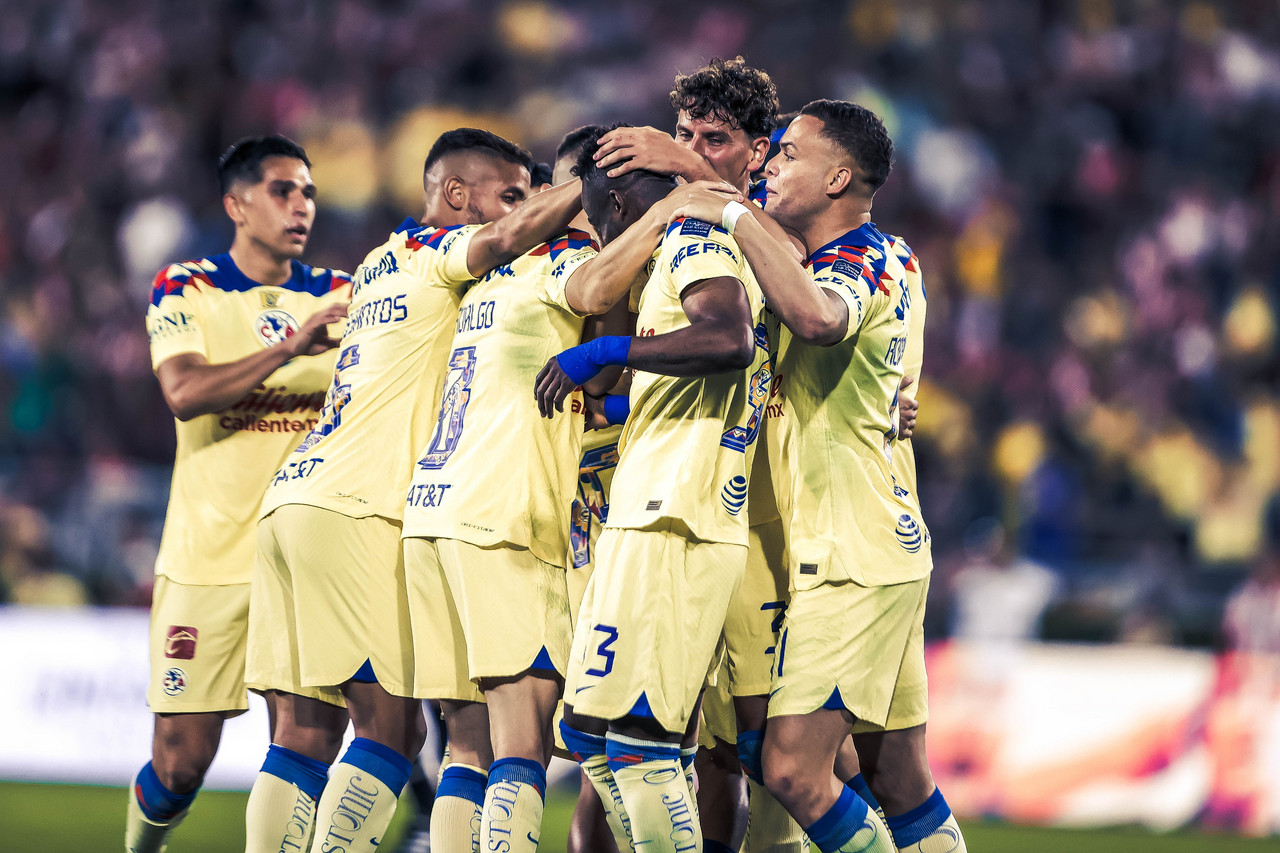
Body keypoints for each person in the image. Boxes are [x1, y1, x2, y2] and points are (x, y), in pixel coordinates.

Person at [243, 127, 587, 853]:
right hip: (364, 508)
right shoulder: (439, 255)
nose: (525, 212)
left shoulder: (377, 261)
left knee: (304, 733)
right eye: (512, 197)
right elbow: (505, 243)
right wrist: (602, 180)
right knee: (394, 731)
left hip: (297, 497)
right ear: (456, 196)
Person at [670, 101, 966, 853]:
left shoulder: (857, 264)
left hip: (849, 555)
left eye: (790, 154)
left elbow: (820, 320)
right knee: (899, 781)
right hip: (888, 544)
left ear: (839, 176)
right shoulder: (898, 256)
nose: (771, 165)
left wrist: (730, 214)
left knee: (795, 770)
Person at [591, 56, 804, 853]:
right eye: (684, 134)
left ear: (757, 152)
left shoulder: (771, 227)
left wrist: (684, 173)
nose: (689, 149)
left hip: (760, 516)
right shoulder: (681, 227)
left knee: (749, 748)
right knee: (633, 742)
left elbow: (796, 290)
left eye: (715, 139)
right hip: (679, 498)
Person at [541, 125, 770, 853]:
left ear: (613, 201)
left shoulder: (692, 243)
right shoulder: (677, 252)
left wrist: (606, 349)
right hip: (650, 511)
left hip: (679, 514)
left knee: (644, 743)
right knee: (592, 735)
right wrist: (608, 395)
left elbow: (727, 338)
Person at [128, 135, 352, 853]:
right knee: (181, 763)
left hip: (305, 563)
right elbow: (186, 392)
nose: (302, 205)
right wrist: (290, 348)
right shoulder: (186, 287)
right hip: (209, 557)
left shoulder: (342, 295)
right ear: (237, 203)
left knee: (308, 743)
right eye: (284, 190)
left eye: (309, 192)